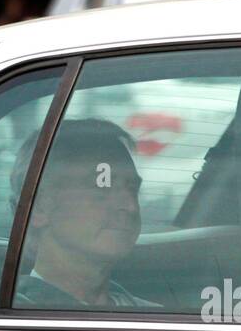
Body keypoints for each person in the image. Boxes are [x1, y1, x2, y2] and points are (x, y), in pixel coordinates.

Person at [12, 118, 157, 309]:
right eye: (102, 188)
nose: (130, 206)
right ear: (38, 207)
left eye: (132, 189)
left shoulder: (157, 315)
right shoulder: (13, 320)